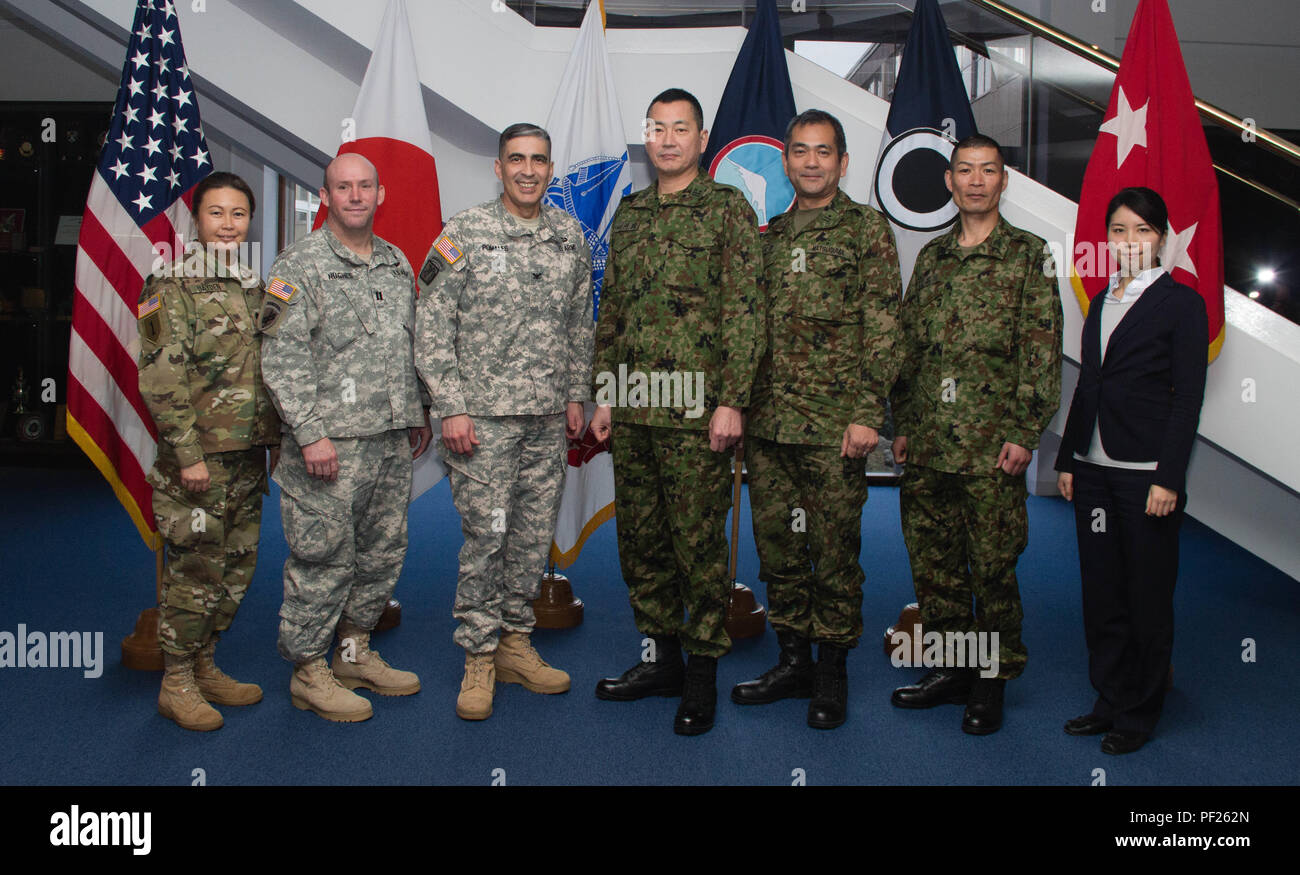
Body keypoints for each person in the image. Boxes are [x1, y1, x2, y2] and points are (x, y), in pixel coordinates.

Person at [590, 88, 764, 736]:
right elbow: (613, 311)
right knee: (641, 544)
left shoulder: (726, 209)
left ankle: (700, 675)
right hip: (635, 413)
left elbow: (745, 309)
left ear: (700, 137)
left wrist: (732, 401)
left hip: (698, 417)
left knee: (697, 548)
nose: (666, 139)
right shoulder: (631, 215)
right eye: (657, 128)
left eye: (679, 128)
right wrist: (605, 393)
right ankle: (658, 660)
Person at [415, 123, 593, 721]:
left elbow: (578, 325)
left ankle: (516, 640)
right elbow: (432, 323)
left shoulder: (570, 236)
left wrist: (575, 394)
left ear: (550, 168)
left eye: (538, 160)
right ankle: (478, 654)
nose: (527, 170)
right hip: (482, 419)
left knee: (529, 535)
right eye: (516, 159)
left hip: (546, 417)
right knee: (485, 538)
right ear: (498, 168)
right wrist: (451, 406)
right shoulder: (463, 232)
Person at [889, 134, 1062, 735]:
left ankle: (991, 681)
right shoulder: (933, 258)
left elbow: (1041, 354)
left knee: (991, 566)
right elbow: (909, 348)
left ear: (1003, 180)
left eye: (988, 170)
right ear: (949, 182)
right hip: (932, 446)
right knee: (934, 565)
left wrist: (1024, 430)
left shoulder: (1029, 255)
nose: (976, 181)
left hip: (992, 449)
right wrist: (904, 422)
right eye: (965, 171)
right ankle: (950, 668)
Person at [734, 109, 901, 729]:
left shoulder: (865, 230)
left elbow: (885, 327)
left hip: (835, 429)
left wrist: (867, 415)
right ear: (785, 162)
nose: (810, 162)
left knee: (833, 553)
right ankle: (793, 661)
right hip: (770, 429)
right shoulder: (769, 237)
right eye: (800, 151)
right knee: (778, 551)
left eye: (823, 152)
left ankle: (832, 674)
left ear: (842, 161)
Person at [260, 152, 433, 723]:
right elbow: (281, 359)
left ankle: (354, 652)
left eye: (365, 186)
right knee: (323, 557)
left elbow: (406, 345)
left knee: (381, 554)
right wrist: (309, 435)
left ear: (380, 194)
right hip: (328, 447)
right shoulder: (300, 264)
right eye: (343, 187)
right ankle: (309, 670)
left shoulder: (394, 261)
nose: (355, 196)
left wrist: (418, 412)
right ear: (327, 194)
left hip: (387, 439)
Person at [1055, 187, 1207, 755]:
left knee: (1146, 594)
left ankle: (1140, 712)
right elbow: (1088, 386)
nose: (1129, 241)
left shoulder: (1183, 304)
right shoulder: (1100, 300)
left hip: (1146, 476)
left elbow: (1187, 397)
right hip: (1093, 471)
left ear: (1161, 239)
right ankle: (1109, 698)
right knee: (1102, 592)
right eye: (1119, 230)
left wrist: (1169, 477)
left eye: (1142, 230)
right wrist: (1070, 459)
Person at [136, 171, 280, 731]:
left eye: (238, 214)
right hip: (197, 459)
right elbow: (161, 380)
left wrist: (272, 440)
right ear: (196, 219)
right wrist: (188, 454)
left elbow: (264, 371)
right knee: (196, 569)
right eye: (216, 213)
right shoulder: (169, 287)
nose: (227, 224)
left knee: (237, 568)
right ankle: (176, 682)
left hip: (245, 454)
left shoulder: (252, 285)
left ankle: (204, 663)